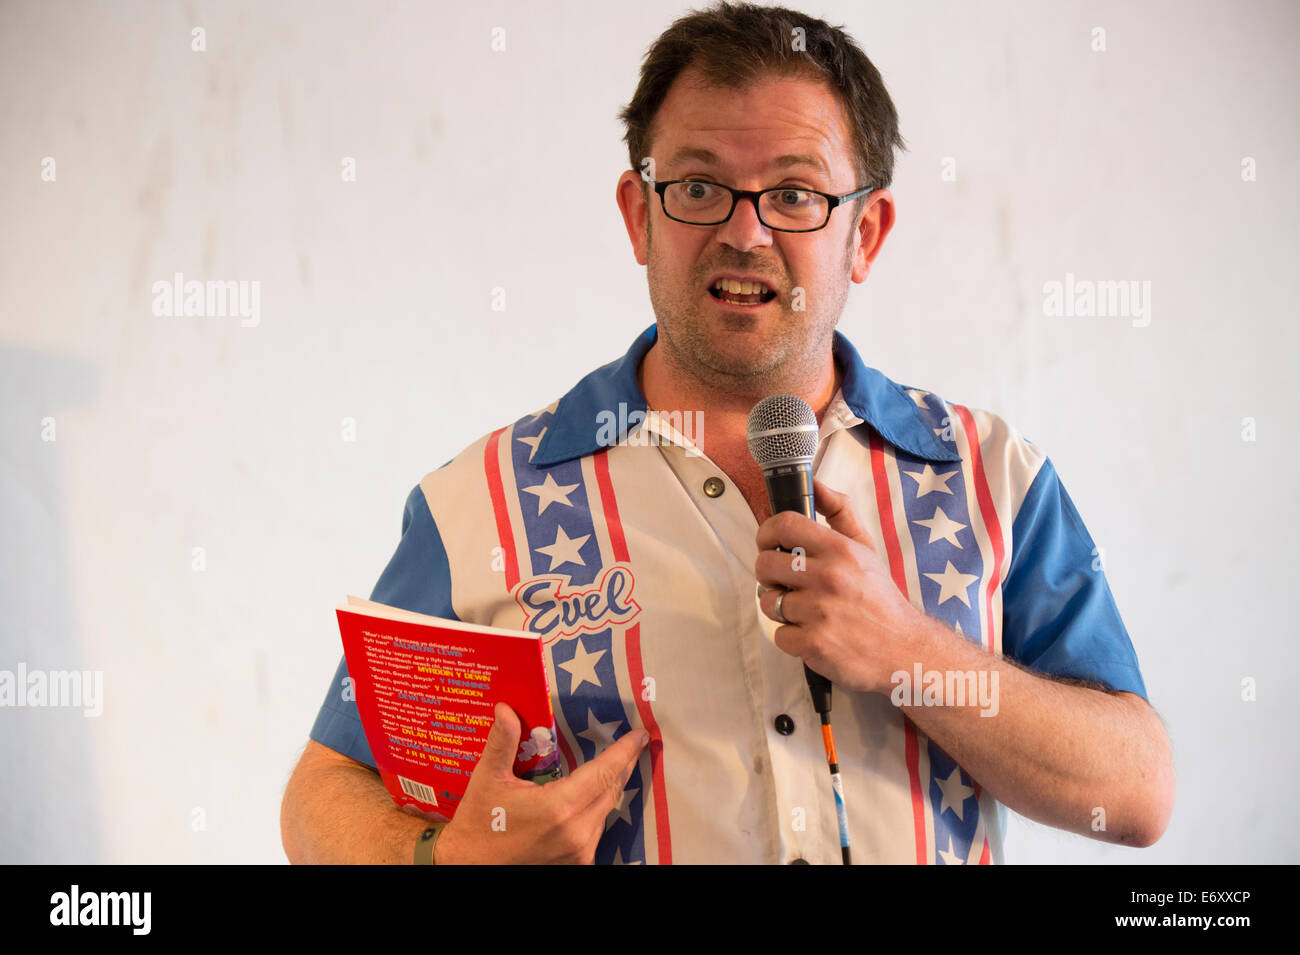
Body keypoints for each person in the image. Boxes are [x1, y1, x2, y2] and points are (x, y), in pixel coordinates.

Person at [280, 1, 1175, 865]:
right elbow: (324, 790)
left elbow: (1136, 792)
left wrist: (908, 650)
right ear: (641, 215)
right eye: (700, 186)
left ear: (866, 233)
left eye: (794, 193)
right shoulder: (478, 503)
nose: (745, 234)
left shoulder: (992, 476)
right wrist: (441, 857)